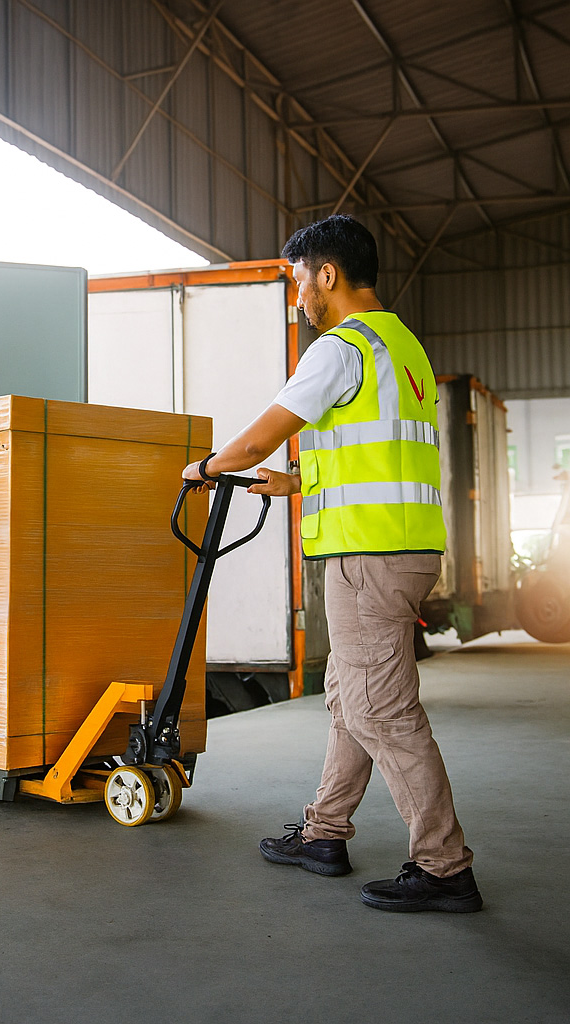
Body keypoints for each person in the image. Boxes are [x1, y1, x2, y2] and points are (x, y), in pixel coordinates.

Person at [181, 214, 482, 913]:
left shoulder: (339, 347)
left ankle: (444, 867)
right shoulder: (398, 344)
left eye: (299, 280)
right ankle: (323, 833)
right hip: (396, 542)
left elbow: (263, 433)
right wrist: (299, 482)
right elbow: (381, 456)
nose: (298, 299)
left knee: (381, 709)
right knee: (353, 700)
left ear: (327, 275)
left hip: (368, 554)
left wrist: (206, 466)